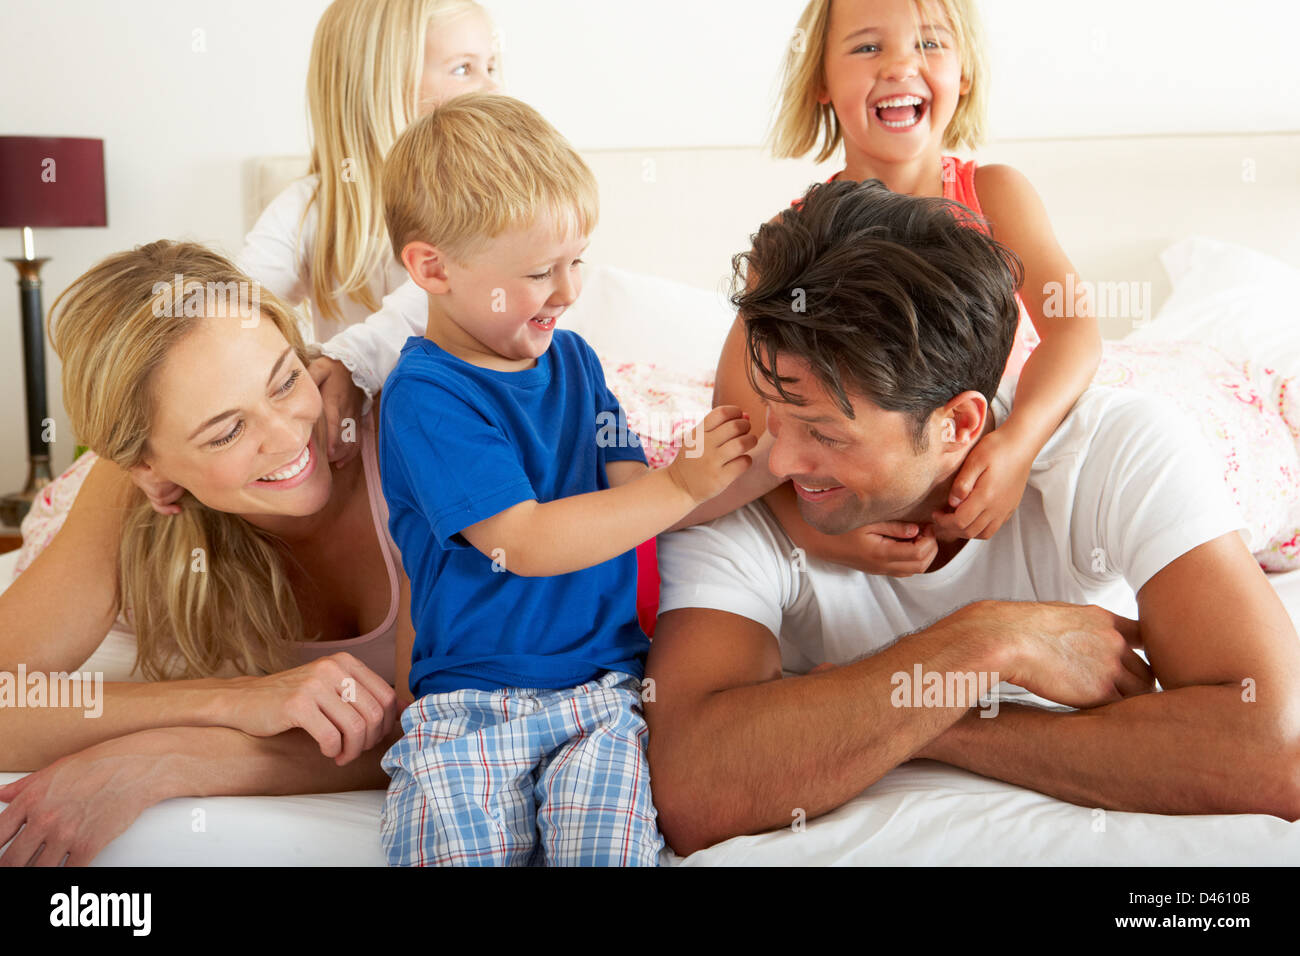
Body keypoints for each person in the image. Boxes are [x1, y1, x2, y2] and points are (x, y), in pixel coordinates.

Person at [643, 180, 1300, 857]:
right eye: (777, 414)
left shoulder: (1113, 452)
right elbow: (694, 787)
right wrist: (987, 643)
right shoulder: (736, 484)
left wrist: (947, 722)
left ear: (959, 423)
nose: (779, 458)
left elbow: (1274, 751)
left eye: (826, 434)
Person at [375, 93, 777, 866]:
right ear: (432, 268)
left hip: (603, 700)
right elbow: (518, 540)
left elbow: (643, 507)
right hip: (468, 710)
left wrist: (764, 467)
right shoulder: (425, 395)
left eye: (578, 259)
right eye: (538, 272)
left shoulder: (577, 363)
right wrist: (678, 486)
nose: (570, 289)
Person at [0, 242, 412, 867]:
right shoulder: (125, 486)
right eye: (227, 430)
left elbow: (436, 732)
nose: (287, 437)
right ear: (148, 467)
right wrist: (234, 700)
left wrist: (164, 759)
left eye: (285, 380)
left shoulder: (420, 443)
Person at [713, 0, 1103, 578]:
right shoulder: (790, 244)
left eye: (929, 44)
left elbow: (1074, 329)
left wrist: (1016, 445)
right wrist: (810, 536)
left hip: (990, 491)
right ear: (820, 79)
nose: (899, 66)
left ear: (963, 73)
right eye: (868, 47)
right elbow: (746, 427)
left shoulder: (995, 195)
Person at [138, 0, 502, 514]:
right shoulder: (312, 208)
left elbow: (441, 298)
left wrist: (351, 359)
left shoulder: (496, 201)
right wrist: (159, 442)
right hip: (363, 432)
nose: (493, 88)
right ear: (380, 85)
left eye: (493, 66)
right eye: (465, 68)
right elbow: (237, 307)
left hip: (478, 412)